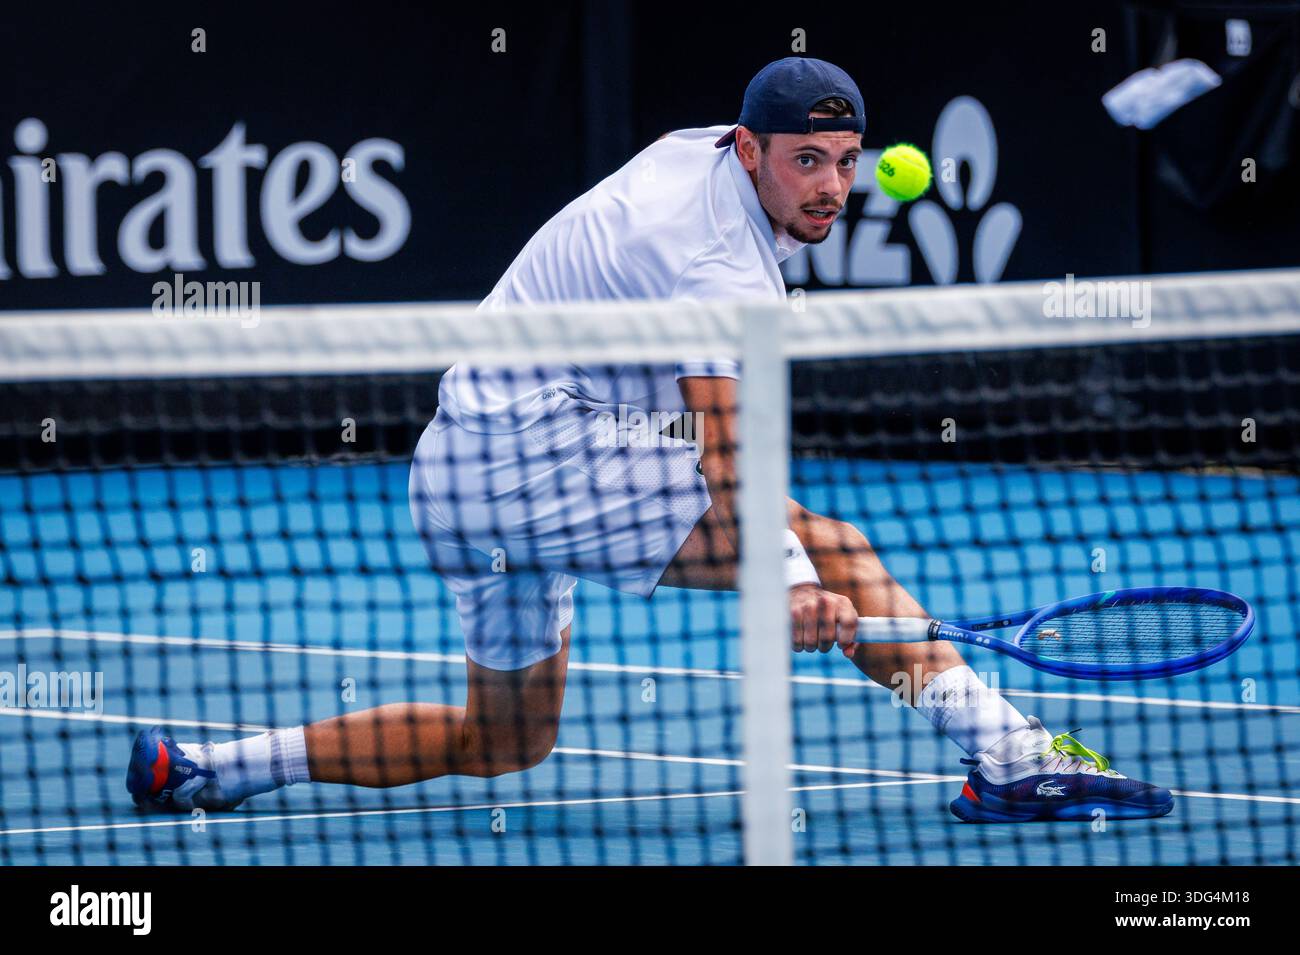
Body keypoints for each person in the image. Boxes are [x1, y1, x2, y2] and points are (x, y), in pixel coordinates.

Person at [127, 57, 1172, 824]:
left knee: (502, 741)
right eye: (806, 161)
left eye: (846, 163)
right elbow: (725, 450)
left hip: (461, 469)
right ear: (750, 149)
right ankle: (1008, 756)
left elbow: (683, 417)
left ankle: (206, 767)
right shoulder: (716, 260)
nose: (830, 187)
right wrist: (788, 579)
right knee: (832, 544)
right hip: (535, 455)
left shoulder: (698, 155)